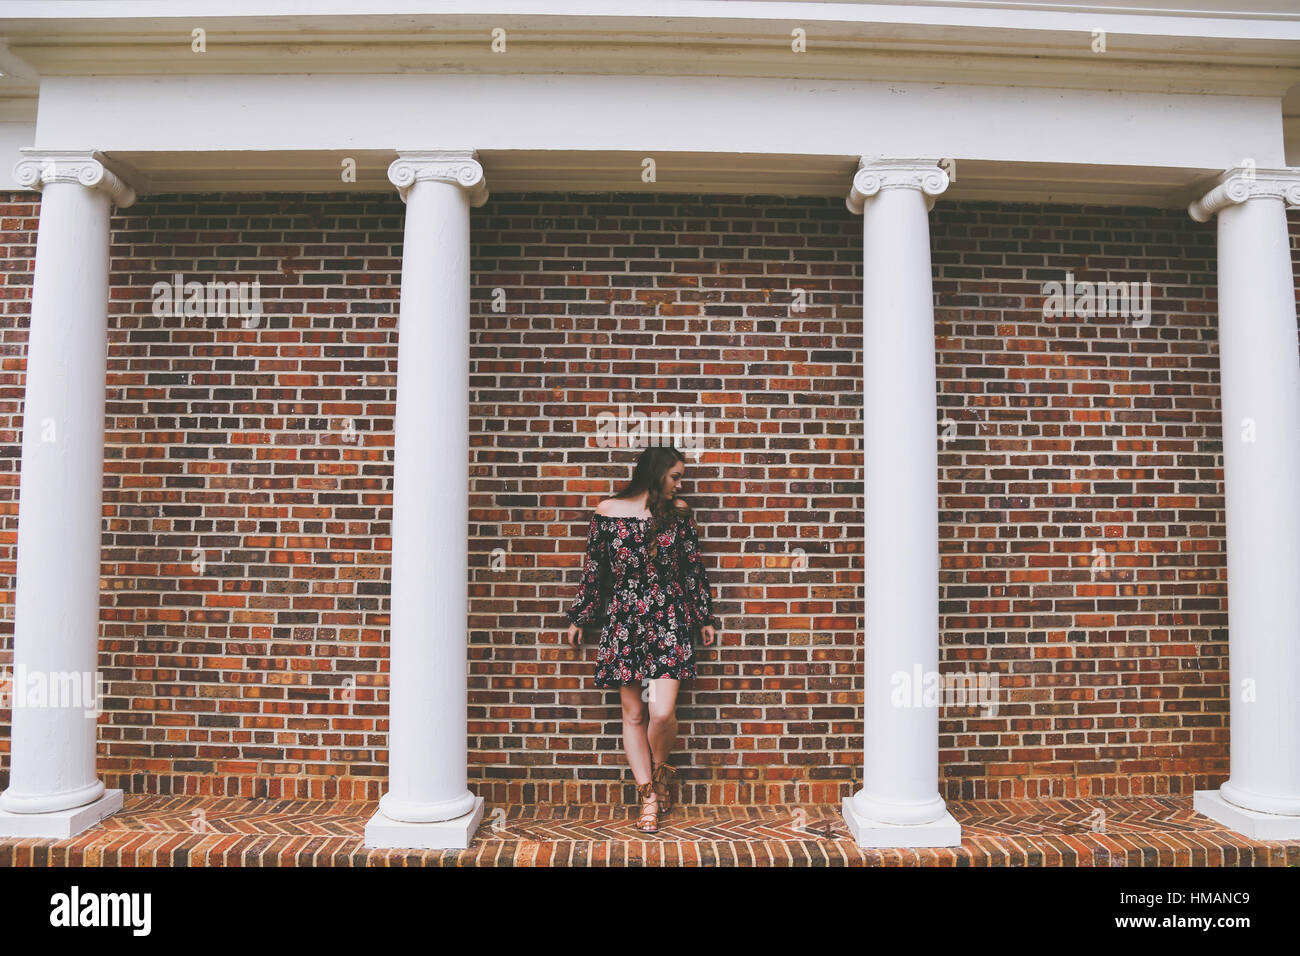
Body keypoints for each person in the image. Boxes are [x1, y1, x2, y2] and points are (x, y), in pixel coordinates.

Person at [564, 445, 721, 834]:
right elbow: (594, 571)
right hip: (624, 617)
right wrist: (581, 617)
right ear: (656, 473)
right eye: (676, 476)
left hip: (669, 614)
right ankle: (649, 794)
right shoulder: (607, 512)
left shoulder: (678, 513)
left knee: (662, 712)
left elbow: (692, 569)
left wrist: (703, 615)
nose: (679, 483)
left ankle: (660, 774)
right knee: (634, 713)